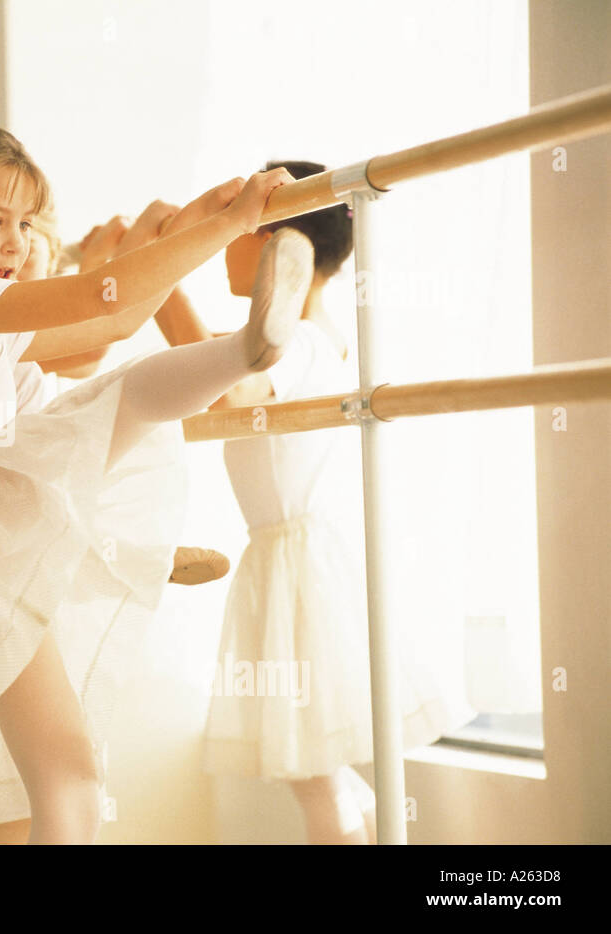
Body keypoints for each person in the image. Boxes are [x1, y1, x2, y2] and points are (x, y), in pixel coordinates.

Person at [0, 121, 309, 844]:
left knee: (115, 397)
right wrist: (234, 221)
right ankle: (112, 544)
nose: (15, 242)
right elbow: (106, 298)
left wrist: (208, 213)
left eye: (25, 224)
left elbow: (120, 318)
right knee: (66, 778)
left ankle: (247, 350)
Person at [162, 160, 474, 844]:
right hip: (300, 559)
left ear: (280, 245)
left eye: (241, 230)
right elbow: (224, 366)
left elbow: (227, 388)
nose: (225, 246)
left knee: (312, 777)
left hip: (298, 571)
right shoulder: (317, 336)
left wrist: (158, 285)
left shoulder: (297, 338)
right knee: (320, 772)